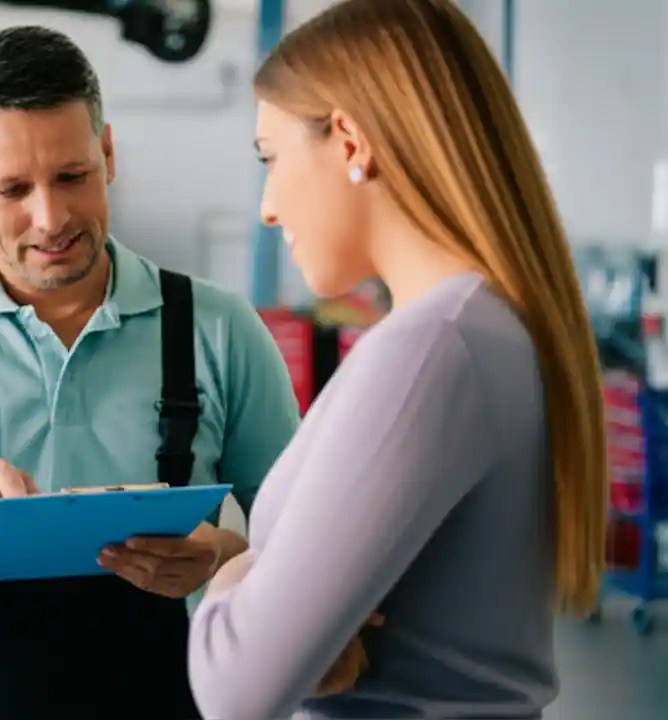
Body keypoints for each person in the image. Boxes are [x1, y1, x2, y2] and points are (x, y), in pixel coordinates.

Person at [0, 25, 303, 720]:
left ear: (108, 154)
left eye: (73, 176)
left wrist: (222, 553)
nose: (52, 217)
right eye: (12, 189)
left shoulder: (219, 331)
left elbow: (312, 555)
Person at [186, 1, 609, 718]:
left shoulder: (431, 350)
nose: (267, 206)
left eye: (272, 157)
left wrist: (240, 580)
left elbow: (234, 686)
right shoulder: (481, 329)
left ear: (349, 142)